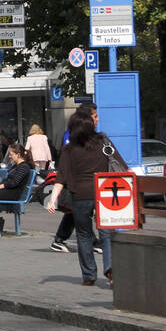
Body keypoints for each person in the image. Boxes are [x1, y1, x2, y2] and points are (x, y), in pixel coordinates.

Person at [45, 110, 114, 286]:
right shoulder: (103, 141)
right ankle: (111, 269)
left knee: (84, 235)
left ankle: (89, 275)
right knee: (106, 233)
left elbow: (61, 177)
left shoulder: (69, 149)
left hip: (80, 196)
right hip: (103, 193)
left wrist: (53, 199)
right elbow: (120, 163)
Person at [0, 143, 34, 237]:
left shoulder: (24, 167)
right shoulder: (16, 166)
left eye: (11, 154)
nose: (9, 156)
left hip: (13, 193)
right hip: (8, 191)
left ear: (18, 154)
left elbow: (14, 183)